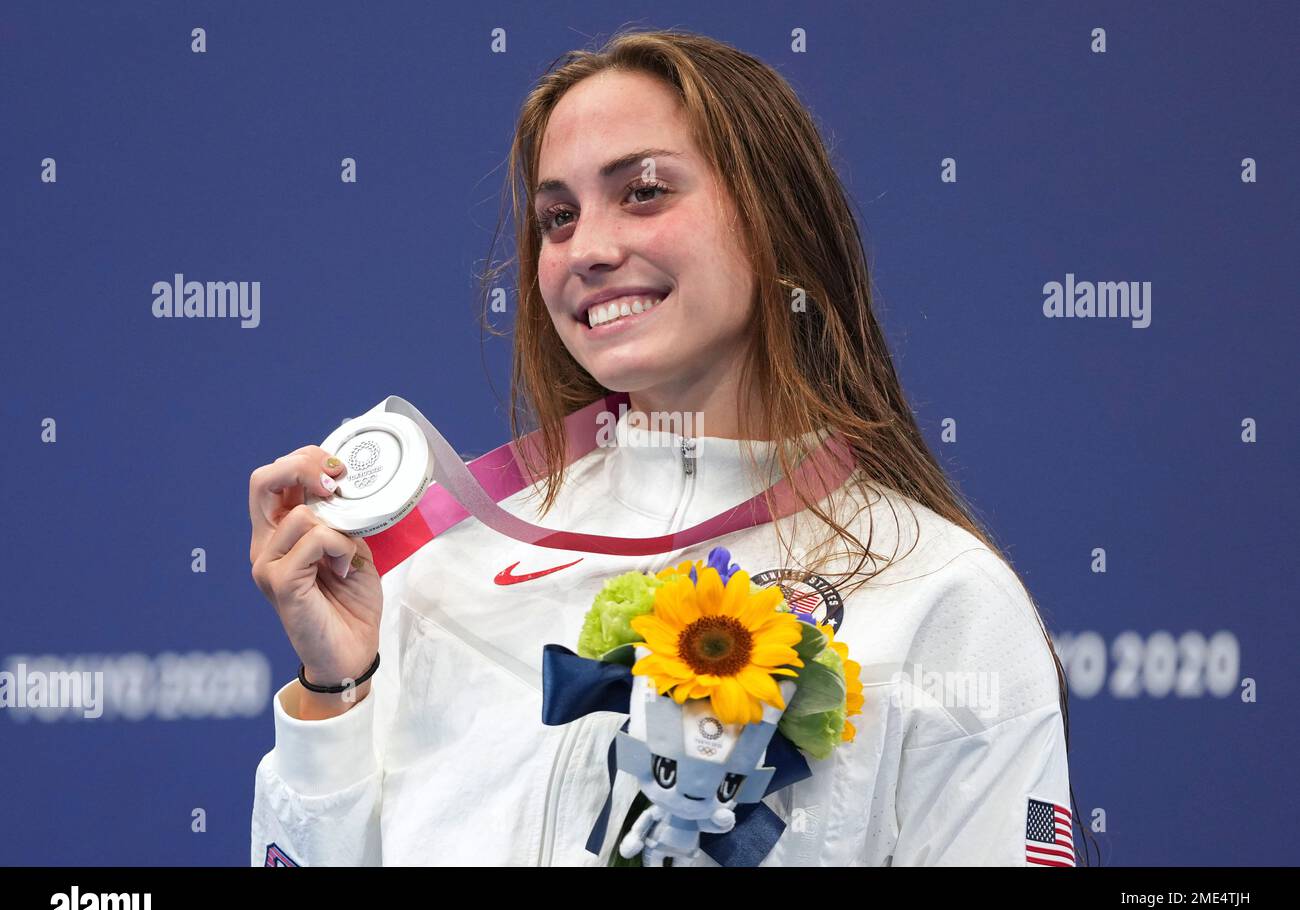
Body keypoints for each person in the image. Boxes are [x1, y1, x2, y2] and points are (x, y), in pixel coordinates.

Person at [248, 28, 1088, 867]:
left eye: (644, 192)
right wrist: (335, 689)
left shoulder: (939, 596)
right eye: (558, 217)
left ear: (773, 216)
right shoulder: (439, 575)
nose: (588, 250)